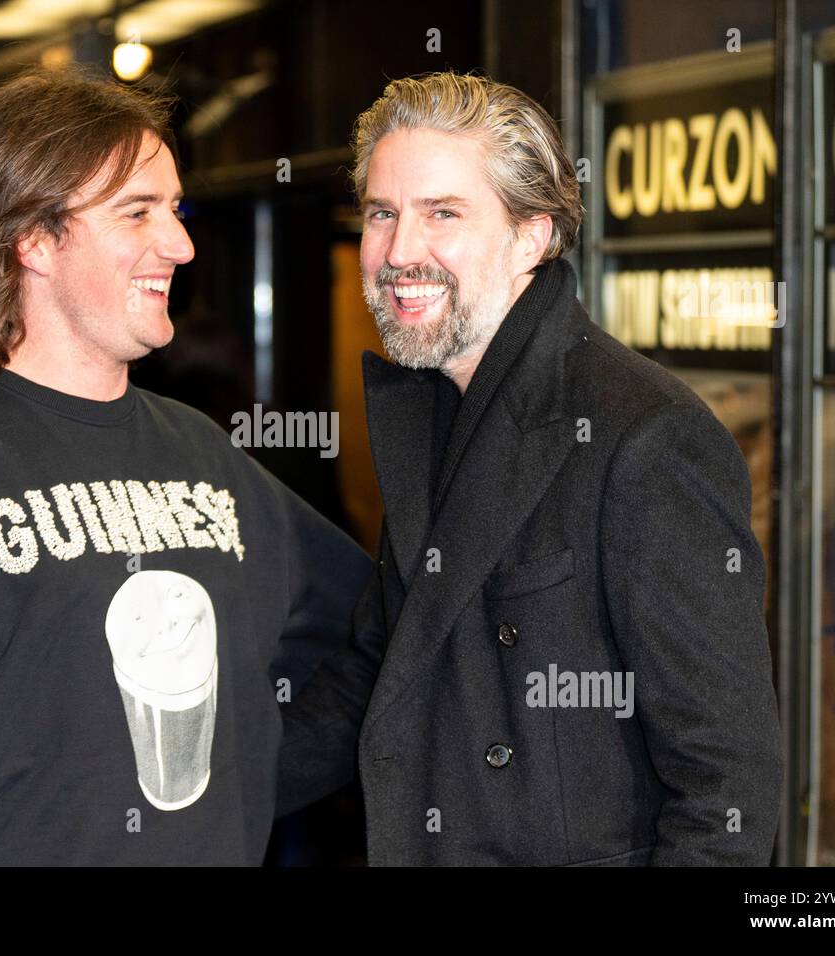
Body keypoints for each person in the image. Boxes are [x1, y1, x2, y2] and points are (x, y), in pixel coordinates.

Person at [0, 68, 370, 865]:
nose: (181, 243)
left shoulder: (204, 458)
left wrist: (244, 775)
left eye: (176, 209)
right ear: (33, 237)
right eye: (138, 212)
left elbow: (378, 634)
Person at [277, 72, 783, 866]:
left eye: (443, 213)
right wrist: (179, 794)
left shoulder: (647, 439)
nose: (400, 250)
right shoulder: (435, 408)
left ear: (532, 236)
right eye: (383, 213)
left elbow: (728, 793)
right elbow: (382, 670)